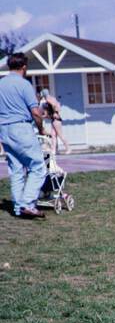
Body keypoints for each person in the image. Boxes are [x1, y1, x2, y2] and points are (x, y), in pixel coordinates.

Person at [0, 53, 48, 220]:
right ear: (24, 67)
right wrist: (41, 128)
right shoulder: (24, 84)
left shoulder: (1, 83)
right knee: (38, 167)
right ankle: (28, 204)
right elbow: (35, 112)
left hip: (4, 130)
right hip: (21, 127)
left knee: (16, 169)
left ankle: (18, 207)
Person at [38, 88, 67, 153]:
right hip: (53, 119)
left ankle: (68, 148)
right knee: (53, 136)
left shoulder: (48, 99)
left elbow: (54, 105)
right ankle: (53, 150)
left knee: (60, 135)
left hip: (56, 120)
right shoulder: (51, 98)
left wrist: (54, 112)